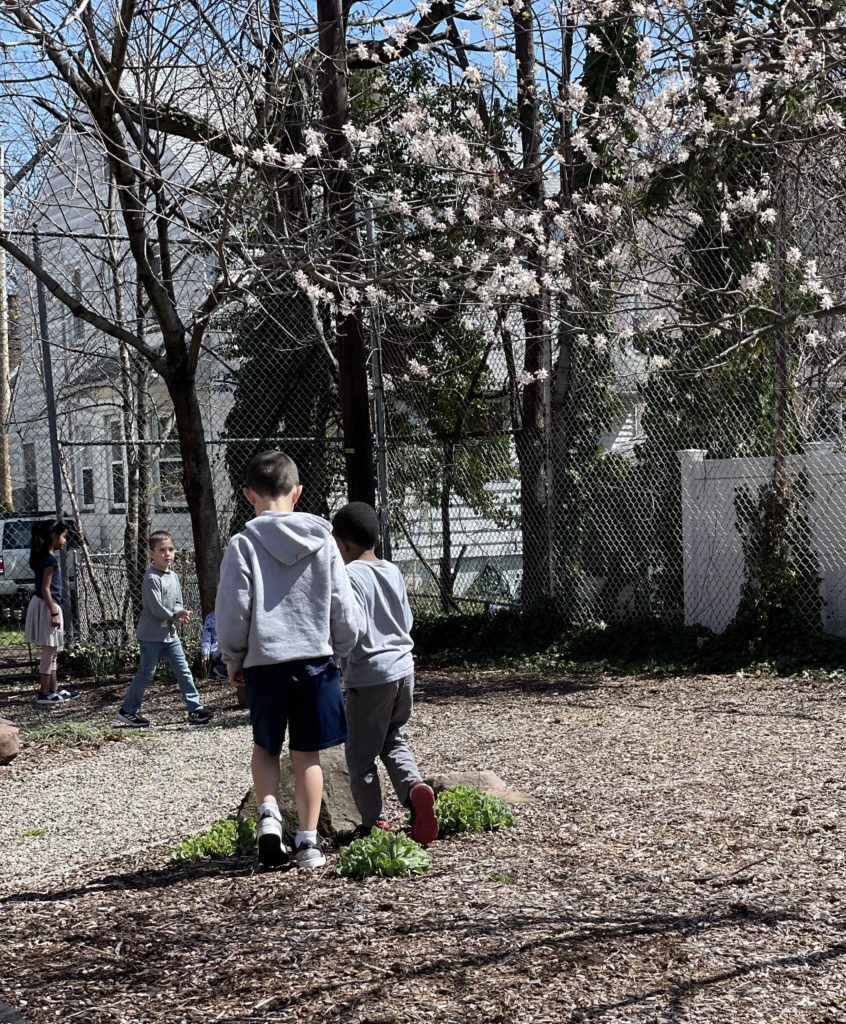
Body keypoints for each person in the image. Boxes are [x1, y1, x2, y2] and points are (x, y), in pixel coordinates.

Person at [215, 451, 361, 870]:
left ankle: (268, 816)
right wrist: (341, 650)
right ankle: (310, 842)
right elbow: (343, 608)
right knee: (307, 755)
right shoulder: (324, 543)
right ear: (297, 492)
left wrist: (234, 657)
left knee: (265, 746)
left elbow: (233, 611)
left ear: (248, 495)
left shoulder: (243, 545)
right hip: (316, 662)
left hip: (264, 664)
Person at [331, 501, 438, 846]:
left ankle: (373, 821)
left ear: (343, 544)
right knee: (393, 736)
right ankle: (414, 789)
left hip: (370, 675)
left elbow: (352, 627)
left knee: (360, 755)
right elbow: (407, 621)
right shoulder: (392, 571)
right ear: (377, 538)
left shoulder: (349, 576)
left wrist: (337, 657)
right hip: (404, 669)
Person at [116, 531, 213, 728]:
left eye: (170, 549)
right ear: (151, 553)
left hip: (170, 636)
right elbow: (156, 608)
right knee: (146, 673)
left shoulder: (174, 576)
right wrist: (176, 615)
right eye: (162, 550)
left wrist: (181, 611)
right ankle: (127, 710)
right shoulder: (151, 578)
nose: (167, 554)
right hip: (151, 636)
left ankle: (195, 709)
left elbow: (177, 602)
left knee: (184, 671)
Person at [25, 520, 77, 705]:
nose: (65, 540)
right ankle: (44, 692)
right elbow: (45, 588)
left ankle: (54, 689)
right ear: (53, 537)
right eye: (63, 536)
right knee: (49, 651)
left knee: (52, 650)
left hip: (47, 605)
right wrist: (54, 611)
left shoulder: (44, 557)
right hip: (48, 606)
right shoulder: (49, 560)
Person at [199, 611, 229, 679]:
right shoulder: (211, 617)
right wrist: (205, 653)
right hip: (218, 650)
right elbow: (206, 637)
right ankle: (220, 670)